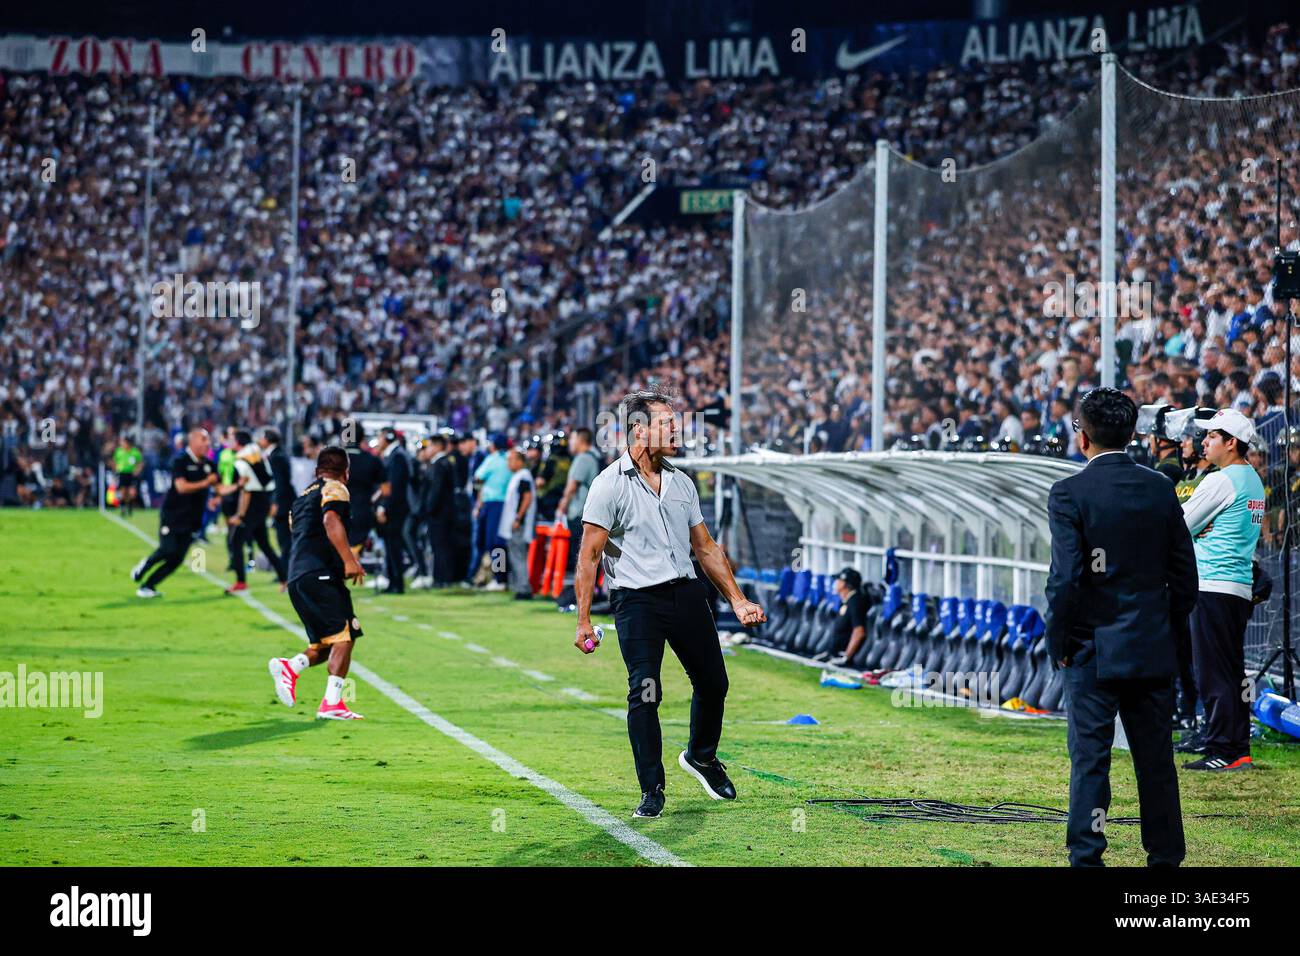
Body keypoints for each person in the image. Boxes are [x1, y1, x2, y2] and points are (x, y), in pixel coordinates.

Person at [574, 389, 766, 819]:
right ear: (639, 430)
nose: (676, 429)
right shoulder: (608, 485)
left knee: (714, 683)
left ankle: (701, 756)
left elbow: (706, 547)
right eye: (667, 423)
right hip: (636, 602)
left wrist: (737, 600)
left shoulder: (682, 482)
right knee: (646, 692)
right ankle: (652, 788)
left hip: (686, 594)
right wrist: (584, 619)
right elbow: (588, 555)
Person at [1044, 387, 1197, 867]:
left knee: (1091, 760)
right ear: (1132, 434)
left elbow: (1067, 578)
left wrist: (1060, 641)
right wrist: (1166, 630)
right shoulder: (1159, 488)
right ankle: (1166, 858)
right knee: (1156, 763)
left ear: (1083, 437)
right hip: (1150, 646)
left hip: (1090, 648)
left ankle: (1088, 857)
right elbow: (1184, 578)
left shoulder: (1069, 492)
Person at [1178, 408, 1266, 771]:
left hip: (1212, 585)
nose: (1204, 441)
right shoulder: (1254, 481)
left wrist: (1199, 530)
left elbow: (1180, 525)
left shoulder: (1221, 480)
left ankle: (1222, 749)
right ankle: (1237, 747)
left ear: (1231, 443)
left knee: (1213, 672)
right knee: (1231, 671)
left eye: (1213, 436)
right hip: (1237, 587)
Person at [267, 446, 367, 720]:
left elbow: (300, 534)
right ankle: (332, 703)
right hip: (319, 573)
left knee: (326, 644)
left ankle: (293, 666)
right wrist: (348, 560)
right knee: (346, 633)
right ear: (346, 472)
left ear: (316, 470)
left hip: (298, 576)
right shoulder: (335, 487)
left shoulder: (300, 499)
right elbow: (330, 519)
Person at [131, 428, 218, 598]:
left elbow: (218, 488)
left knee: (177, 559)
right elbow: (181, 487)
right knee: (167, 549)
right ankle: (145, 565)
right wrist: (206, 482)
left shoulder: (209, 465)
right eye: (203, 439)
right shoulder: (180, 460)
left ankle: (148, 586)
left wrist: (234, 489)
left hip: (192, 519)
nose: (207, 443)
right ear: (192, 441)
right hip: (173, 515)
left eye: (208, 440)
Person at [222, 430, 287, 594]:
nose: (229, 442)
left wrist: (240, 514)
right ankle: (285, 578)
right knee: (264, 544)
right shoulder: (258, 451)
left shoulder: (241, 459)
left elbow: (246, 490)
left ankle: (241, 582)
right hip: (265, 499)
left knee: (235, 541)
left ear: (238, 442)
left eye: (232, 439)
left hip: (252, 503)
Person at [373, 428, 414, 593]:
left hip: (395, 508)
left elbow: (394, 486)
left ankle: (397, 583)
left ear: (388, 438)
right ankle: (393, 582)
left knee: (394, 545)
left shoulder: (397, 457)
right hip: (395, 507)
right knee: (391, 545)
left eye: (380, 436)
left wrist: (384, 506)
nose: (378, 440)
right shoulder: (396, 455)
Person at [470, 433, 512, 589]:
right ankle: (499, 577)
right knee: (498, 542)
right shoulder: (509, 458)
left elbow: (478, 478)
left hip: (493, 504)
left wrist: (479, 500)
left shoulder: (492, 459)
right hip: (507, 504)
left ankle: (499, 579)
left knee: (493, 542)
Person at [421, 434, 460, 586]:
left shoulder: (440, 464)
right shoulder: (445, 462)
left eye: (430, 445)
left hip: (440, 512)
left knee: (440, 545)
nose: (428, 449)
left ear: (438, 446)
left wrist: (428, 509)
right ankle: (443, 577)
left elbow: (436, 490)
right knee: (442, 545)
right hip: (445, 511)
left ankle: (441, 578)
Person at [500, 448, 537, 600]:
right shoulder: (519, 476)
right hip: (516, 522)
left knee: (518, 556)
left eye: (511, 460)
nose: (508, 463)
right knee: (516, 555)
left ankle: (524, 589)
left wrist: (518, 518)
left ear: (520, 461)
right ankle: (520, 586)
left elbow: (527, 498)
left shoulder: (523, 476)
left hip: (519, 524)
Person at [344, 426, 385, 555]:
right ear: (362, 438)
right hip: (362, 509)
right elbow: (386, 489)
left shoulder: (334, 459)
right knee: (355, 547)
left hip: (337, 509)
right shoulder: (371, 460)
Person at [261, 427, 295, 562]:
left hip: (283, 503)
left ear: (267, 440)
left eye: (262, 437)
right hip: (285, 500)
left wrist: (275, 502)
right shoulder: (278, 454)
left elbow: (280, 482)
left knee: (284, 538)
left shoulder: (276, 457)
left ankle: (286, 571)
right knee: (284, 538)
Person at [824, 567, 870, 666]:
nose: (836, 583)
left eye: (839, 580)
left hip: (844, 658)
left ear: (846, 584)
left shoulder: (855, 601)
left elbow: (859, 632)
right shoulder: (847, 600)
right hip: (835, 655)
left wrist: (846, 657)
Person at [112, 433, 143, 518]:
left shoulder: (135, 452)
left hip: (131, 473)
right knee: (123, 491)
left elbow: (140, 462)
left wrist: (137, 471)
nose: (122, 444)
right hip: (122, 473)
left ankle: (129, 508)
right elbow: (114, 461)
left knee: (130, 492)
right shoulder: (119, 451)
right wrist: (115, 470)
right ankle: (123, 508)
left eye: (124, 442)